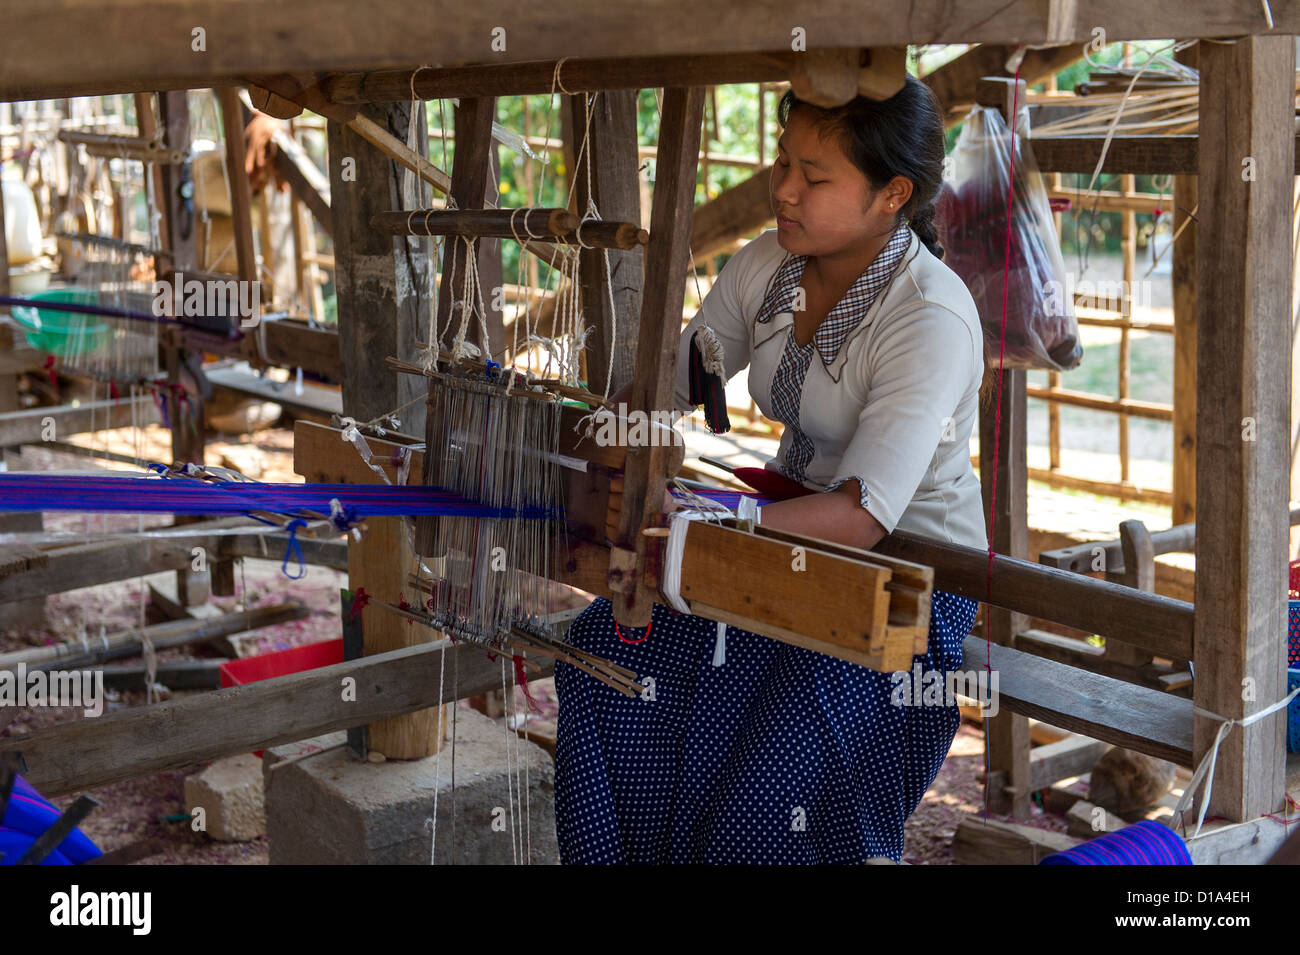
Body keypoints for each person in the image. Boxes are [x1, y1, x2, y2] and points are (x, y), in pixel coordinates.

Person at [554, 76, 989, 864]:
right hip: (777, 543)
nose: (783, 190)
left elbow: (862, 515)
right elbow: (679, 381)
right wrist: (582, 436)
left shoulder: (929, 318)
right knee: (599, 659)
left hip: (904, 582)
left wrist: (710, 531)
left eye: (815, 178)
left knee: (772, 785)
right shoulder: (771, 267)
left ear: (893, 193)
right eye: (784, 162)